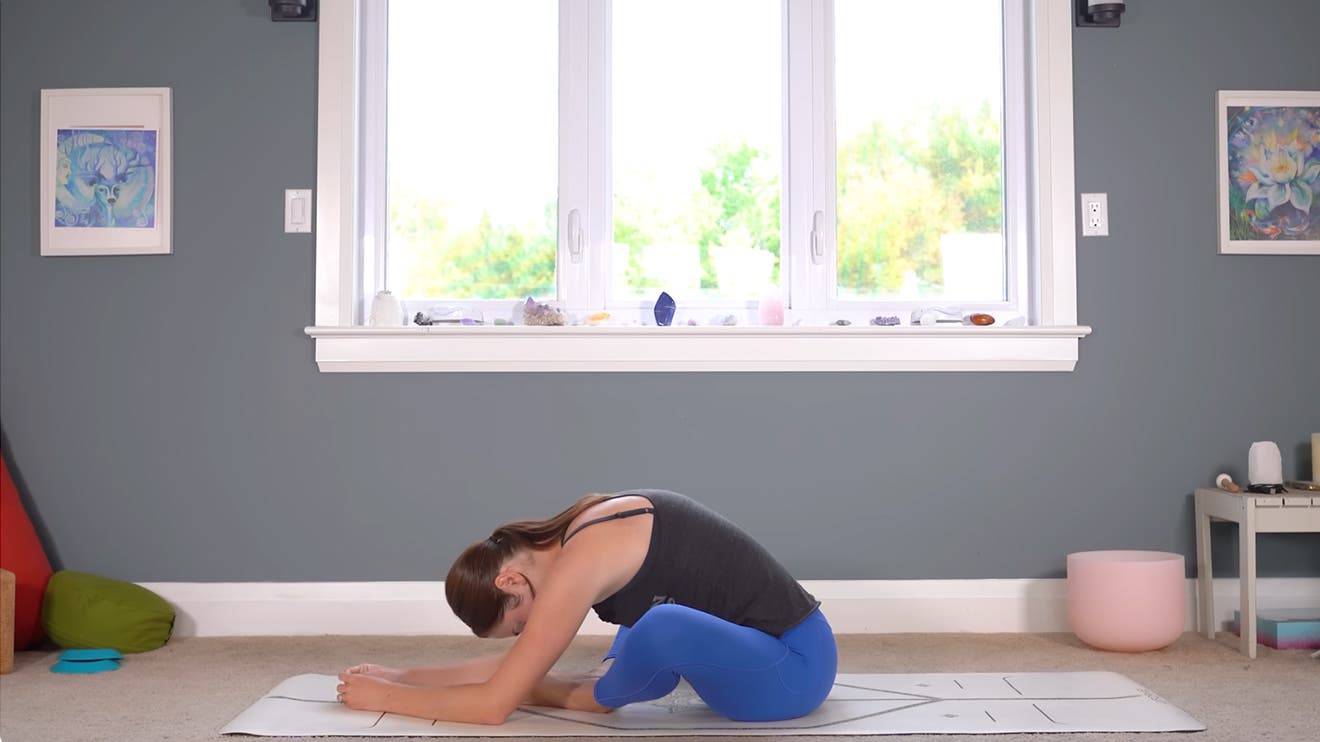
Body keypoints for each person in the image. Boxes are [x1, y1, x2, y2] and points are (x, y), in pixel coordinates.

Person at [336, 489, 837, 724]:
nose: (528, 632)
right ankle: (590, 686)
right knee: (634, 640)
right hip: (764, 656)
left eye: (517, 624)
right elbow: (518, 664)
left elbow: (492, 707)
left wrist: (384, 699)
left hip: (790, 673)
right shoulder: (584, 524)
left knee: (650, 632)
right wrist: (403, 675)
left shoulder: (582, 560)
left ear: (510, 580)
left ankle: (589, 691)